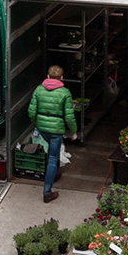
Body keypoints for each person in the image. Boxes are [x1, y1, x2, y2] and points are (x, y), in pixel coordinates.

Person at [28, 66, 75, 203]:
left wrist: (37, 123)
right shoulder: (65, 93)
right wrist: (73, 131)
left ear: (48, 77)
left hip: (42, 129)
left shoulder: (38, 89)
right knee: (53, 159)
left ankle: (47, 181)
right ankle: (47, 192)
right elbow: (69, 116)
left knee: (48, 153)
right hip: (56, 131)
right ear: (62, 78)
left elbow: (31, 111)